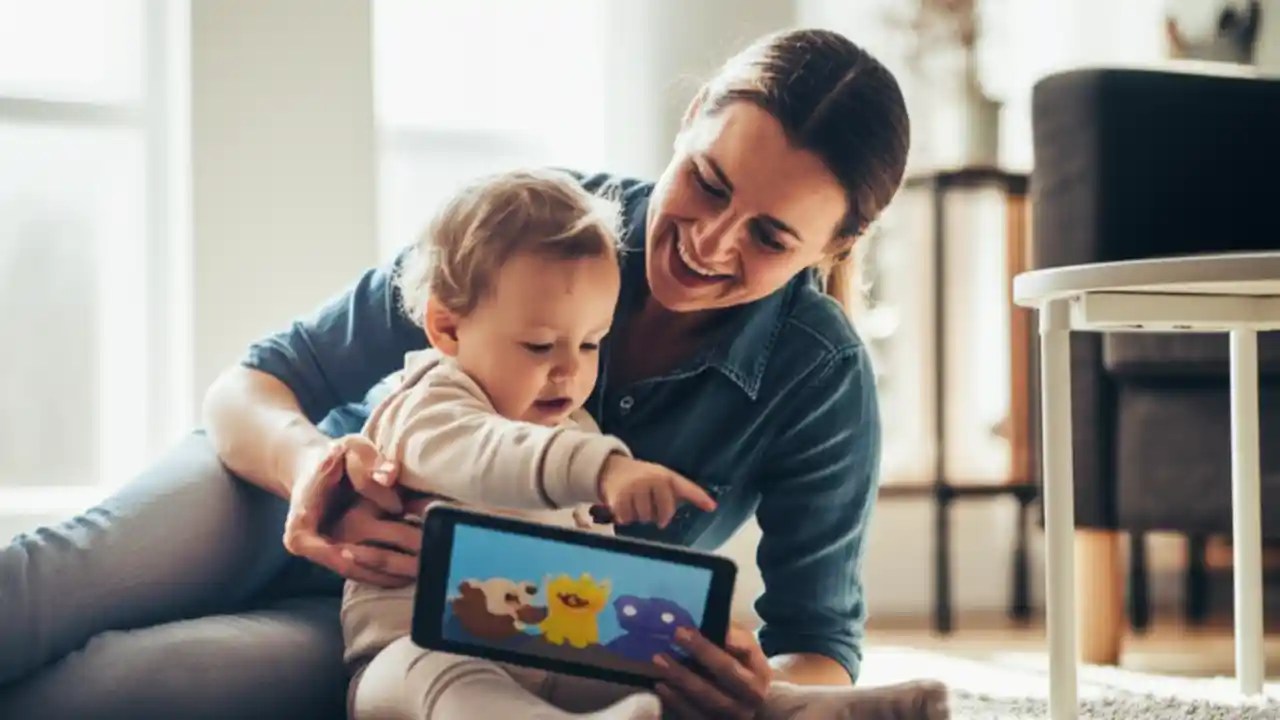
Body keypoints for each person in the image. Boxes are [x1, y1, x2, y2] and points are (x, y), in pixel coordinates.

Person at [0, 28, 945, 720]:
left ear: (838, 245)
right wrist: (311, 475)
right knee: (48, 591)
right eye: (708, 181)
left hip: (421, 628)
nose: (708, 243)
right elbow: (259, 380)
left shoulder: (818, 381)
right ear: (692, 119)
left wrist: (755, 688)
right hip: (275, 489)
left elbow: (820, 642)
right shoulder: (546, 226)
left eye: (772, 237)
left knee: (120, 689)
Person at [341, 168, 945, 720]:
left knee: (667, 678)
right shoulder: (427, 405)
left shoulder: (571, 424)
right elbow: (490, 455)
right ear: (448, 327)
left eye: (589, 344)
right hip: (412, 648)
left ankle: (792, 709)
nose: (569, 373)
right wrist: (605, 473)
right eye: (539, 346)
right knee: (442, 680)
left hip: (543, 646)